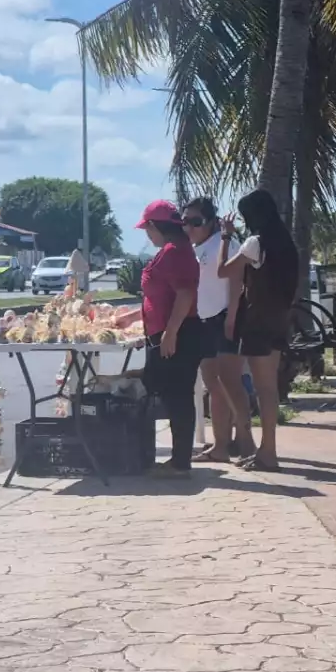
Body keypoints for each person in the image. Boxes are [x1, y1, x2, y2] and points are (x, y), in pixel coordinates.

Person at [115, 201, 203, 479]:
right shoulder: (172, 250)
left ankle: (179, 463)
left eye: (146, 229)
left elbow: (185, 295)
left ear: (154, 226)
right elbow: (159, 296)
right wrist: (133, 317)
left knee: (175, 396)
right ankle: (178, 460)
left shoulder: (174, 252)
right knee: (172, 393)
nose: (147, 235)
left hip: (178, 334)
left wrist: (170, 332)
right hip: (171, 332)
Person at [217, 189, 299, 472]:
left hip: (258, 322)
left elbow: (223, 271)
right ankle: (267, 449)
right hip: (278, 319)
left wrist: (225, 237)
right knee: (269, 389)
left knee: (264, 390)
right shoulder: (285, 242)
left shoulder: (255, 243)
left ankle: (269, 452)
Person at [182, 197, 256, 463]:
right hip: (205, 320)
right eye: (186, 221)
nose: (190, 227)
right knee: (213, 384)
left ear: (211, 222)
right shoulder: (195, 248)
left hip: (227, 319)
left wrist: (232, 318)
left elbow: (236, 283)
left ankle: (247, 442)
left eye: (196, 222)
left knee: (231, 382)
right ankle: (220, 445)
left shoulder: (226, 244)